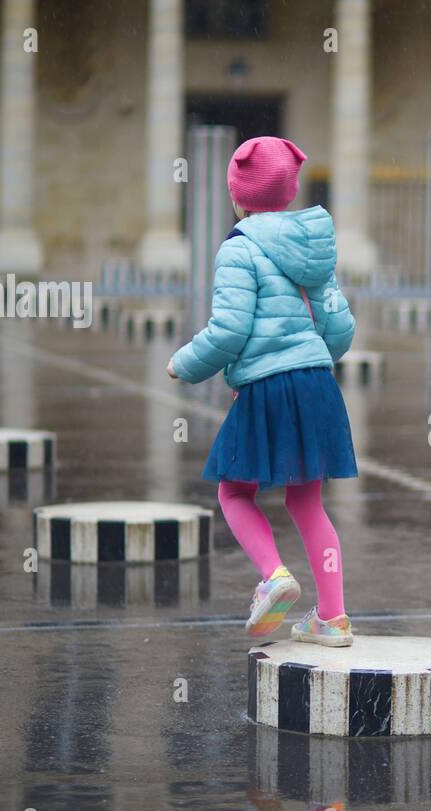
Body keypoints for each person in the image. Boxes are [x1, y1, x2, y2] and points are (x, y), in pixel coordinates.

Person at [167, 136, 356, 647]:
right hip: (317, 383)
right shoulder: (311, 245)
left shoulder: (240, 247)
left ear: (238, 196)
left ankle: (274, 576)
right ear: (289, 190)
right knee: (307, 502)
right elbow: (339, 325)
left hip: (265, 387)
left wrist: (184, 363)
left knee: (234, 489)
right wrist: (313, 359)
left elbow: (229, 329)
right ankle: (333, 618)